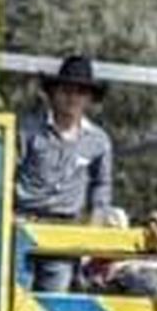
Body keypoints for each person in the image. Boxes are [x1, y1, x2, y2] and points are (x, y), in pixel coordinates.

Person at [15, 55, 114, 292]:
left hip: (64, 228)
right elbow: (8, 171)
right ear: (54, 93)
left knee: (54, 296)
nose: (73, 97)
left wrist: (95, 224)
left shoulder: (98, 141)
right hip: (22, 223)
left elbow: (102, 184)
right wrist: (7, 214)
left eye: (81, 92)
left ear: (89, 98)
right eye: (66, 90)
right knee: (16, 293)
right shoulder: (28, 130)